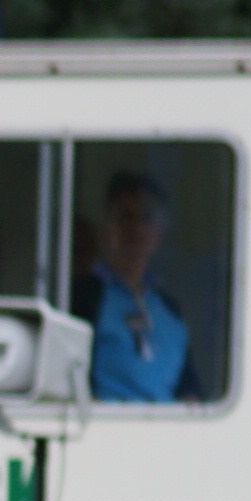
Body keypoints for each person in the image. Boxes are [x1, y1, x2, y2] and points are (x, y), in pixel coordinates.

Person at [73, 170, 200, 404]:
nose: (136, 228)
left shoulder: (169, 307)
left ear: (160, 231)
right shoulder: (82, 296)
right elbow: (69, 378)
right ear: (107, 225)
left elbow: (189, 389)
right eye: (125, 216)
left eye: (147, 218)